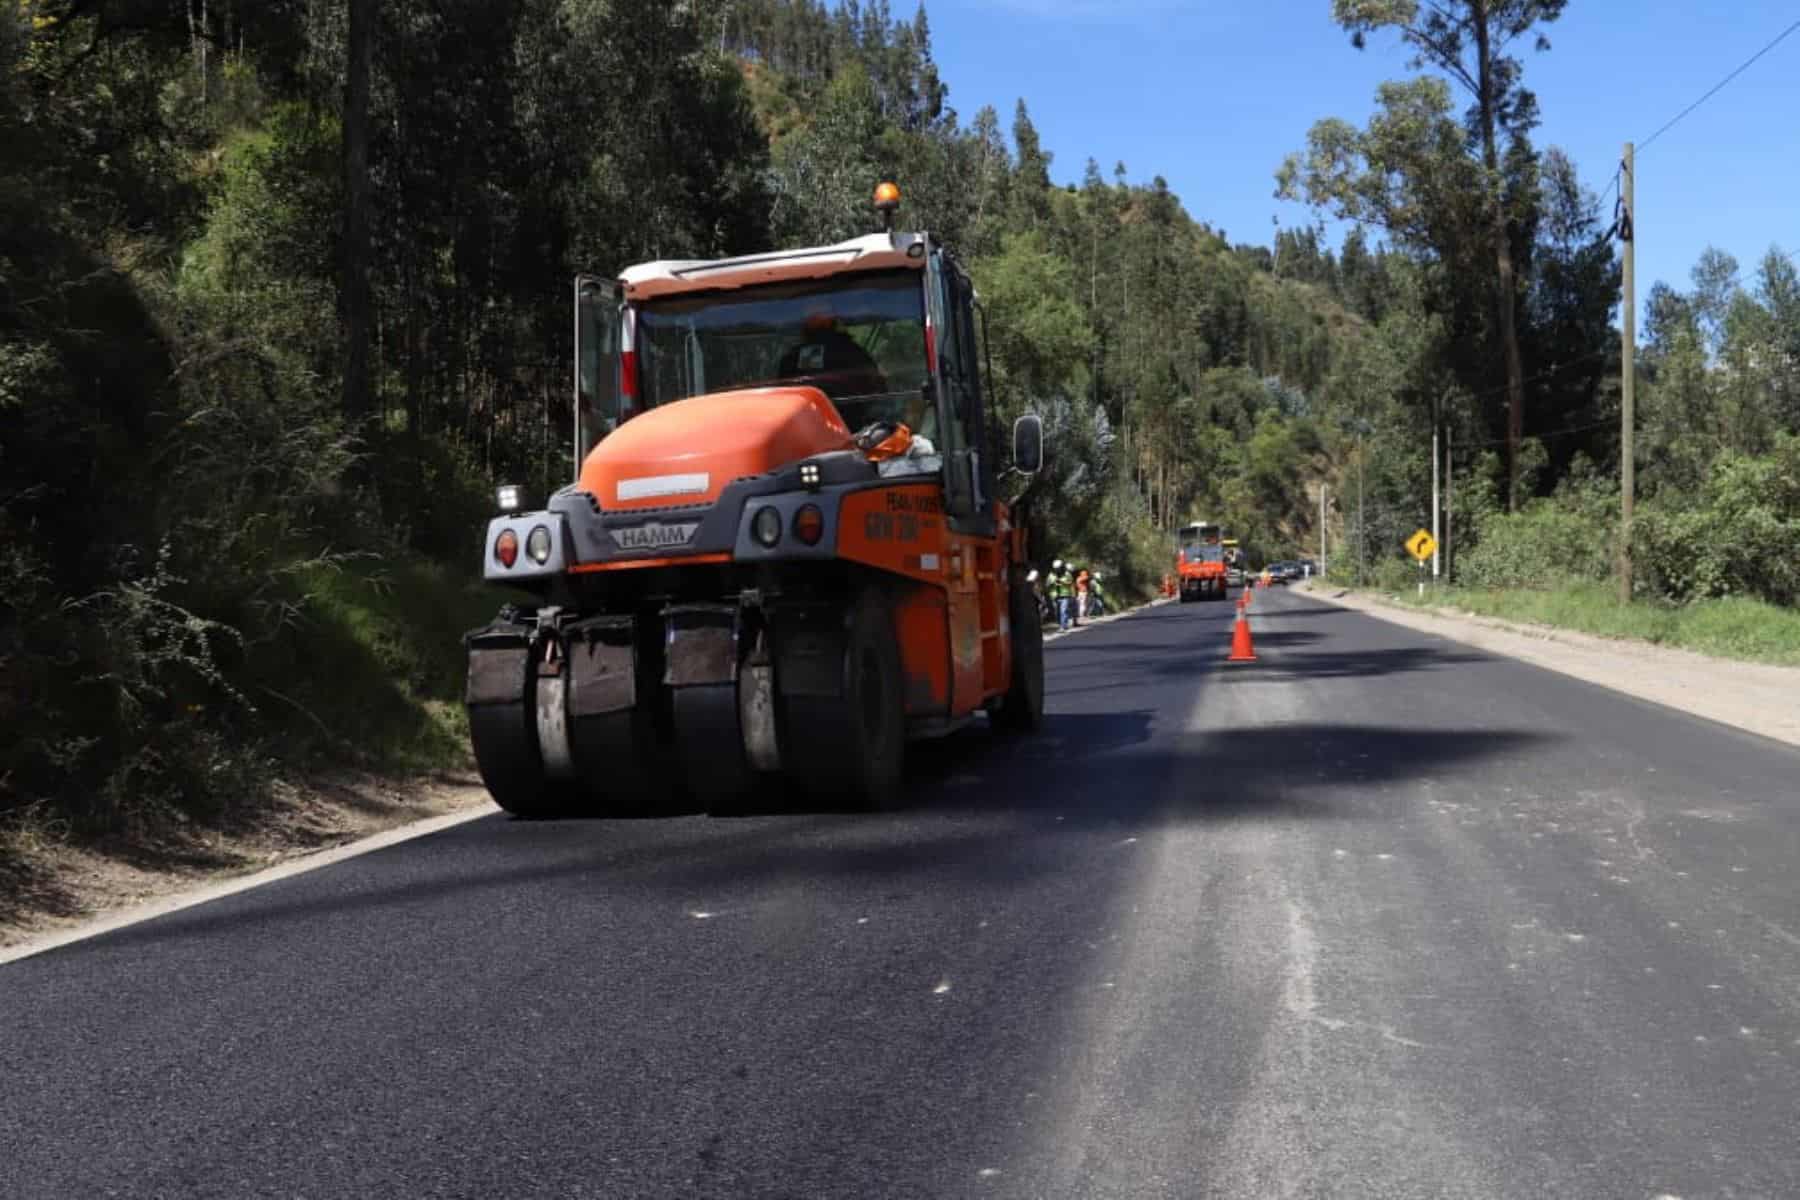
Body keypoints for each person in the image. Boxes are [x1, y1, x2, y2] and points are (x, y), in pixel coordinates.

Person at [1047, 560, 1074, 631]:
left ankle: (1063, 626)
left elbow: (1070, 583)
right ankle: (1061, 624)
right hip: (1055, 596)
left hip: (1065, 595)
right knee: (1057, 612)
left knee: (1063, 611)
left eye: (1058, 568)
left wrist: (1062, 582)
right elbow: (1047, 585)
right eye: (1056, 568)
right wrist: (1052, 583)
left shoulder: (1067, 574)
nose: (1057, 569)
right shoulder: (1051, 575)